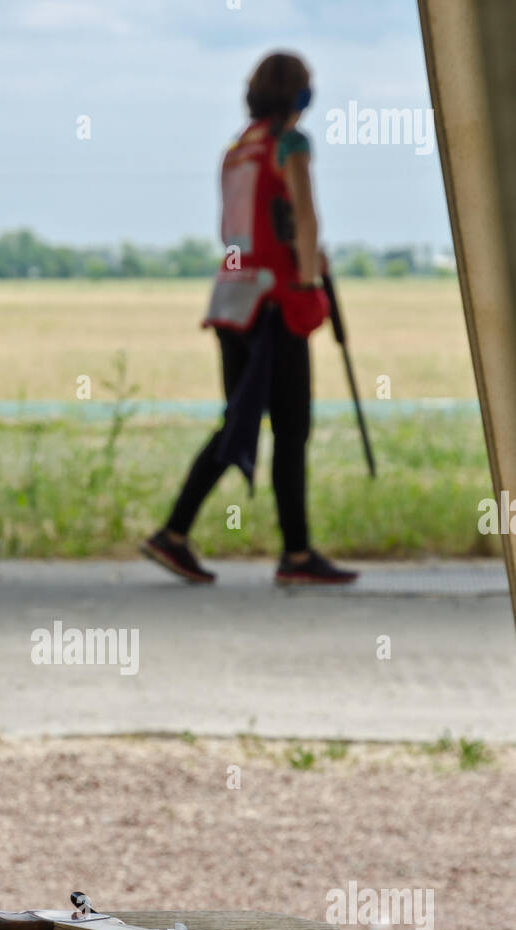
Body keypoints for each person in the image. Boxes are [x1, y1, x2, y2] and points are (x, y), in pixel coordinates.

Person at [142, 52, 358, 586]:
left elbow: (242, 229)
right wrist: (309, 277)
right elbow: (303, 215)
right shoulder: (291, 144)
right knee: (290, 428)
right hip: (275, 301)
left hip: (232, 299)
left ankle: (177, 534)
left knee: (239, 421)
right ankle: (297, 557)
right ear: (300, 98)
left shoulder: (237, 150)